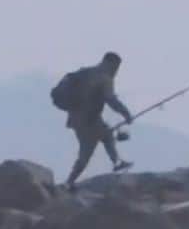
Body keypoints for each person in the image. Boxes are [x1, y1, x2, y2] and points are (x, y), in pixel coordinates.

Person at [53, 51, 134, 190]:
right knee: (87, 152)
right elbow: (111, 99)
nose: (116, 71)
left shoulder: (87, 72)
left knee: (106, 135)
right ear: (110, 64)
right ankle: (69, 182)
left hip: (76, 118)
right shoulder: (104, 78)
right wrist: (126, 113)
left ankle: (115, 162)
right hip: (89, 120)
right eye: (116, 67)